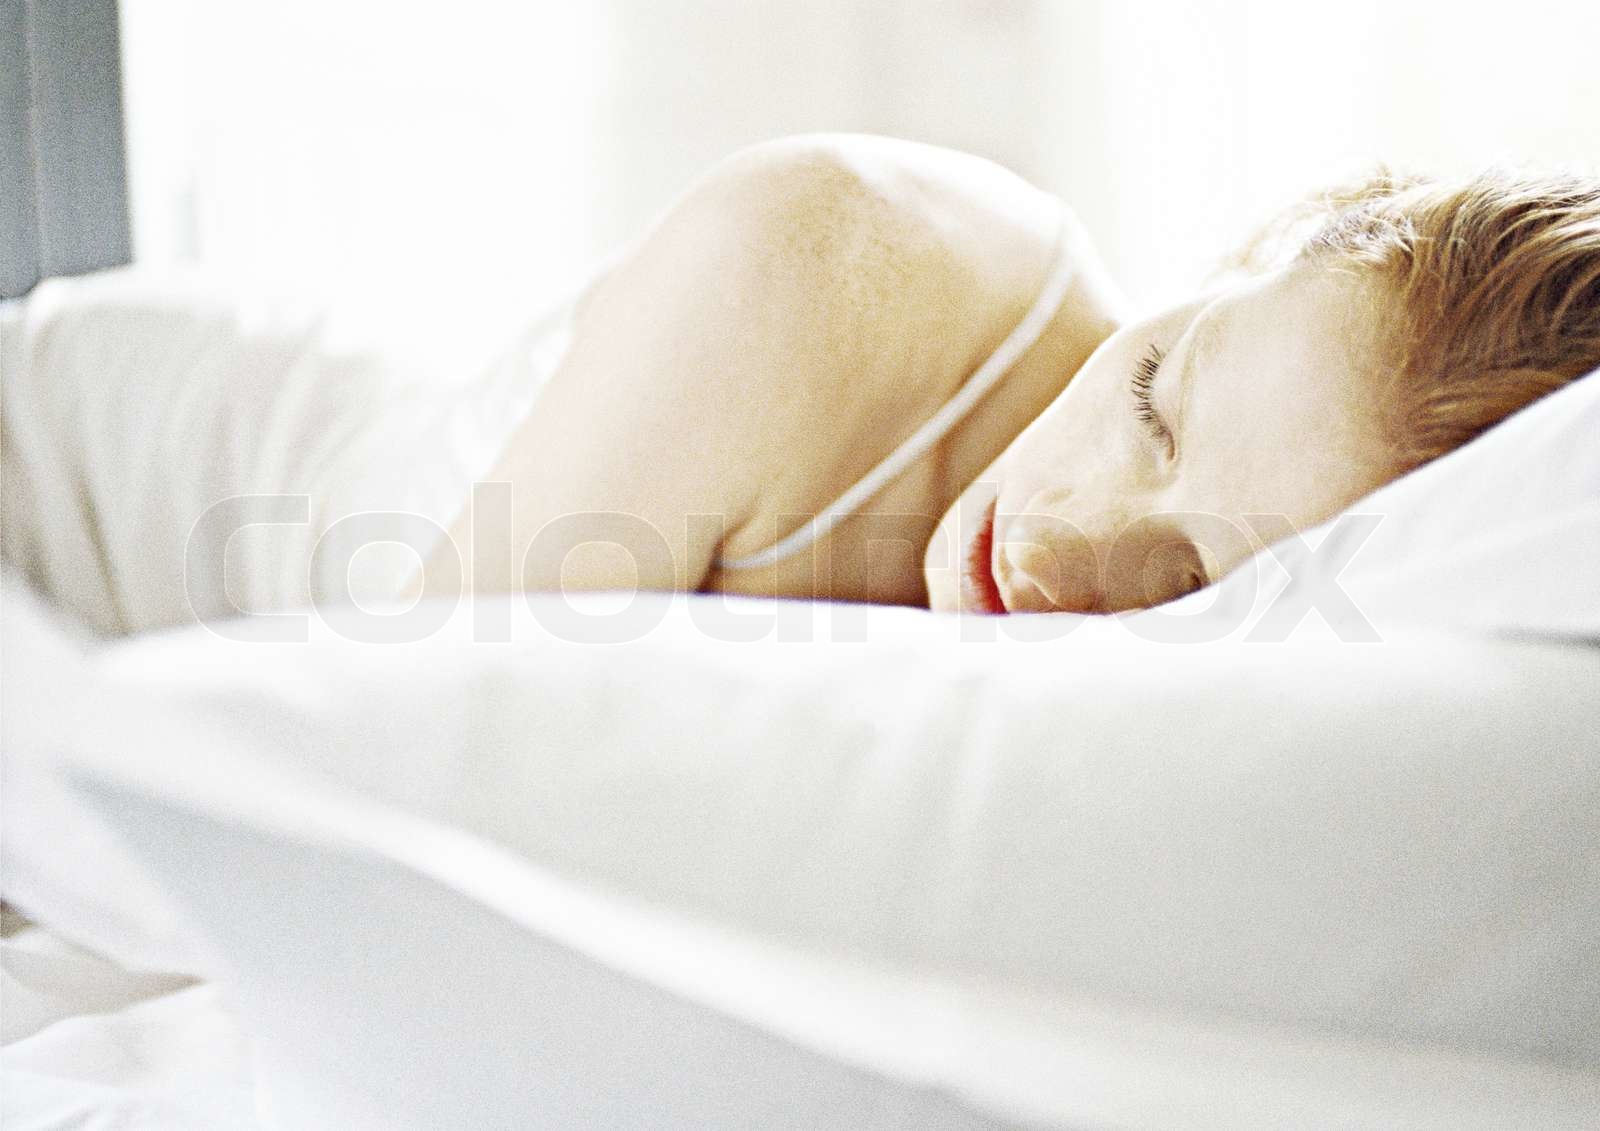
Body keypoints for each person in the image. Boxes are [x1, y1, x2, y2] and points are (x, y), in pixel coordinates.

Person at [407, 134, 1600, 615]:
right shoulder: (819, 258)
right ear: (1243, 262)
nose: (1050, 548)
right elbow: (375, 762)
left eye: (1184, 582)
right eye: (1150, 405)